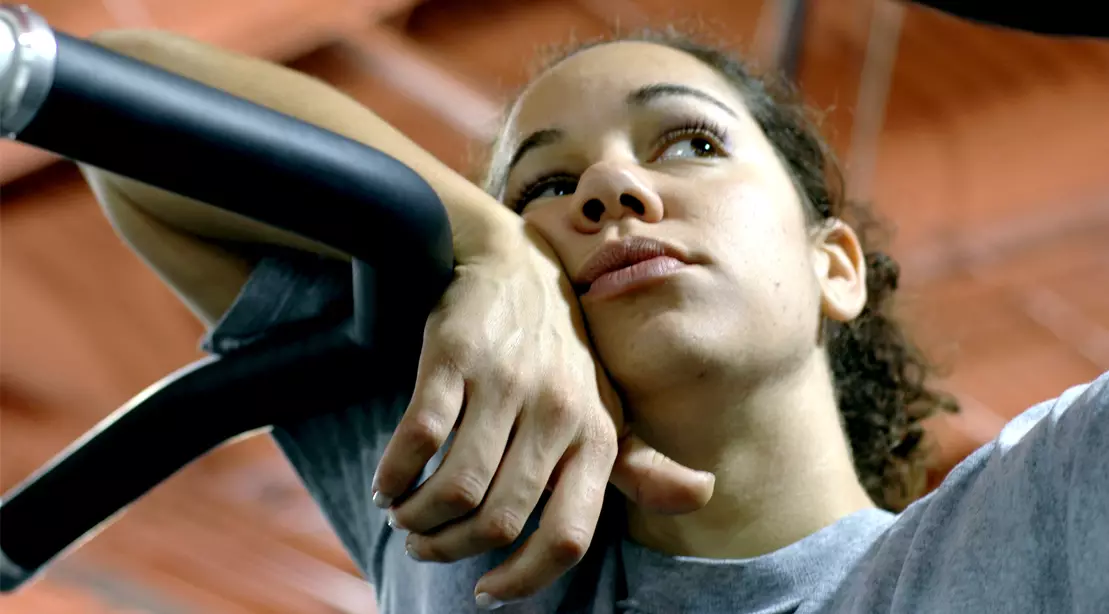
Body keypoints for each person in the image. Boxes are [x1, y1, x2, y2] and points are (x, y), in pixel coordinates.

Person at [84, 25, 1107, 614]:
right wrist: (478, 247)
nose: (609, 186)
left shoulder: (1039, 506)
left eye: (689, 143)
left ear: (830, 264)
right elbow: (111, 104)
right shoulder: (467, 511)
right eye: (545, 186)